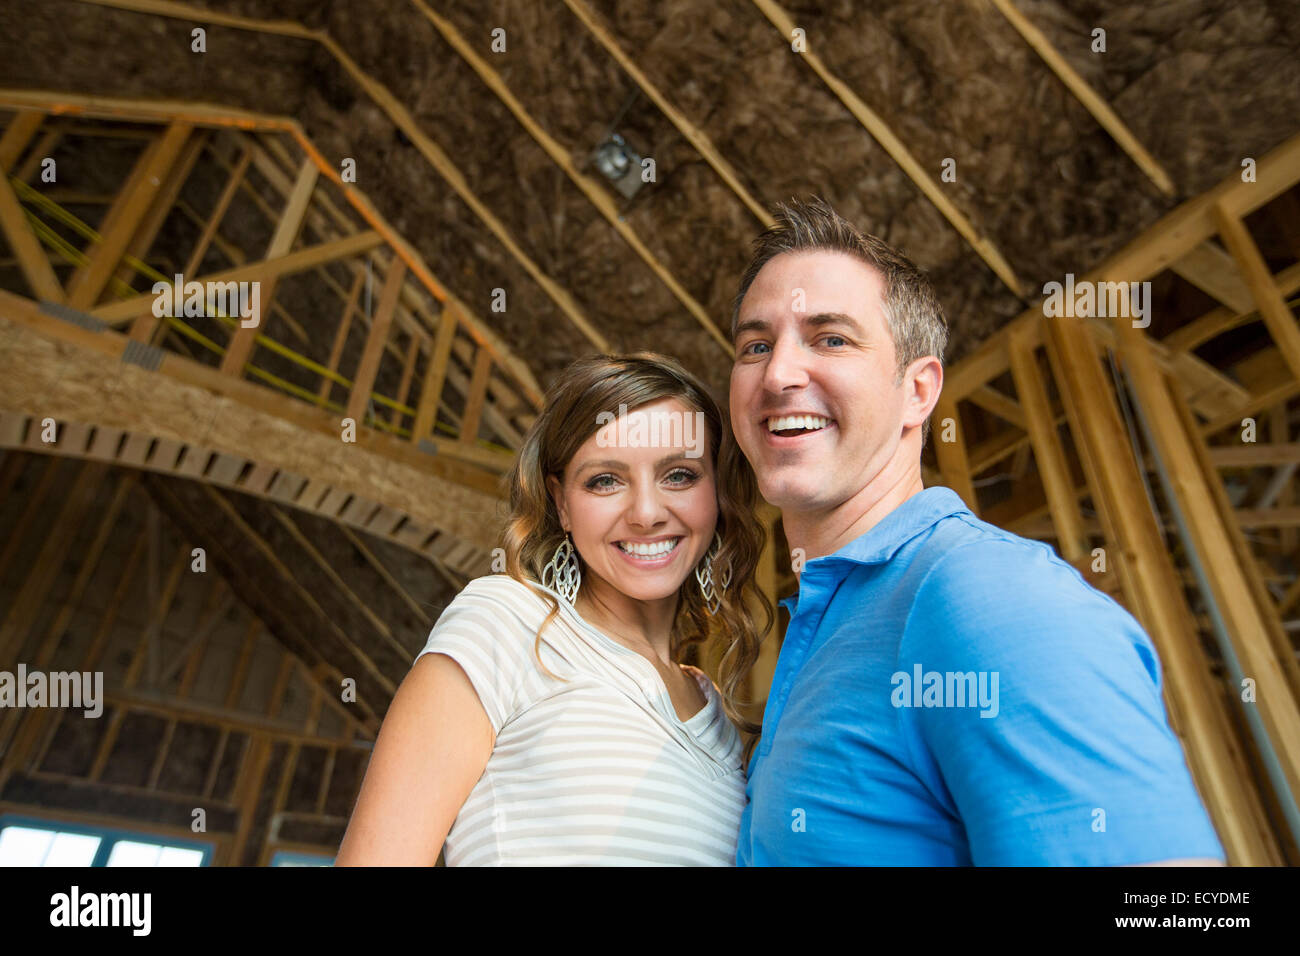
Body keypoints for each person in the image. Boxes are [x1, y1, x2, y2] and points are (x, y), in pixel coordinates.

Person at [728, 197, 1226, 866]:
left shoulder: (982, 595)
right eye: (755, 345)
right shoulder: (829, 622)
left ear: (918, 390)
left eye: (831, 338)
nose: (778, 373)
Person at [336, 353, 769, 866]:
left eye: (678, 474)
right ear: (561, 503)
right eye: (605, 480)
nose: (648, 513)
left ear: (715, 494)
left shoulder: (715, 711)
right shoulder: (504, 624)